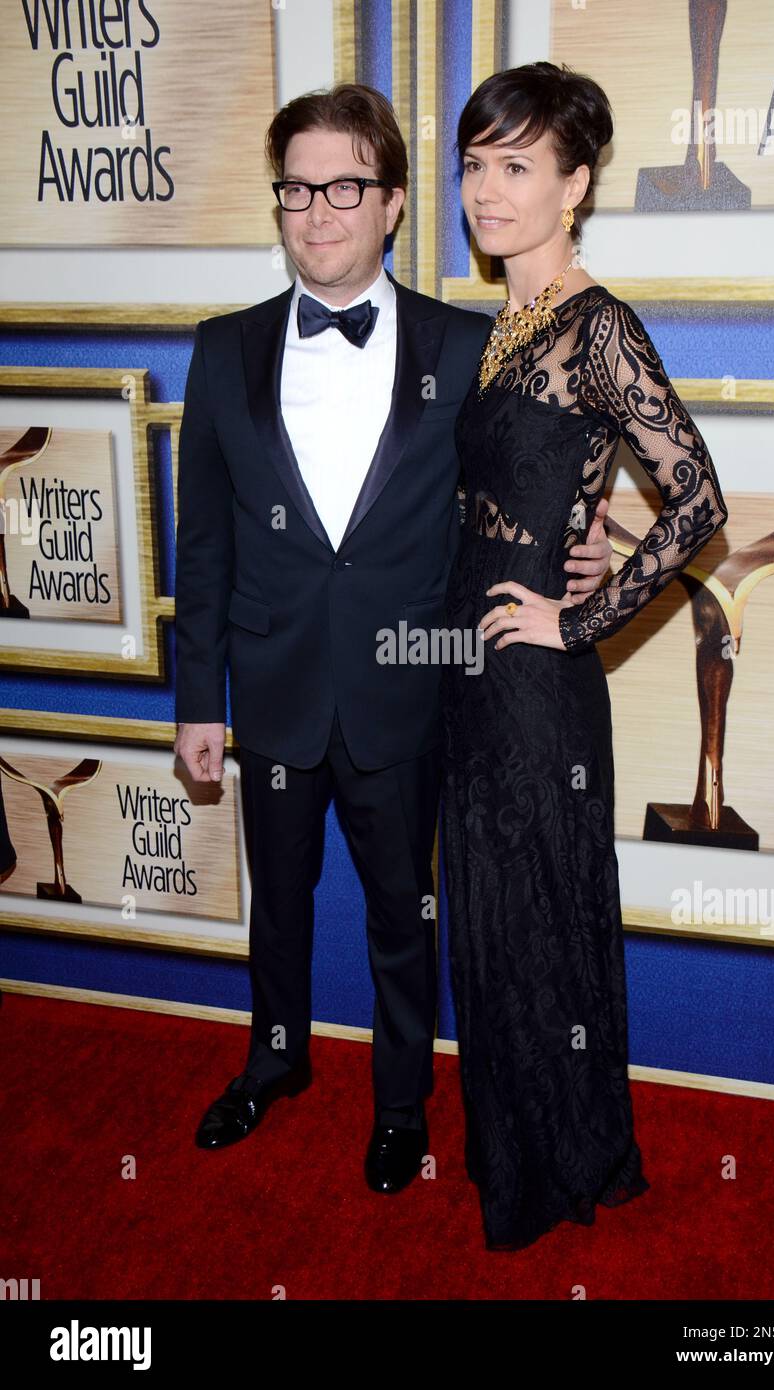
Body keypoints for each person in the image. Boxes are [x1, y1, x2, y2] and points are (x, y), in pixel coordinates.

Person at [173, 82, 612, 1194]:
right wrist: (196, 702)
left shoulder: (469, 346)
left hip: (409, 694)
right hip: (269, 689)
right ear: (279, 204)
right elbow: (205, 546)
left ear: (396, 204)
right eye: (298, 189)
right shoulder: (221, 352)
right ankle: (274, 1059)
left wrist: (590, 541)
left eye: (346, 187)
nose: (319, 211)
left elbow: (534, 478)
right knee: (278, 904)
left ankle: (403, 1104)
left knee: (401, 918)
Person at [441, 61, 729, 1250]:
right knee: (493, 911)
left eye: (516, 165)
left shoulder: (597, 323)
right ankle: (519, 1142)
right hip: (466, 655)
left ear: (576, 184)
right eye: (473, 164)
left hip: (534, 679)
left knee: (541, 908)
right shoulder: (506, 324)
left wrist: (586, 612)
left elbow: (699, 497)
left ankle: (563, 1161)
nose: (487, 190)